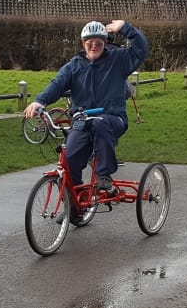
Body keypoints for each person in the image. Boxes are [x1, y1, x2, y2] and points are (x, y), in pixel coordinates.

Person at [24, 19, 149, 194]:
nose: (94, 46)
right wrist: (40, 101)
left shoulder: (118, 59)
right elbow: (57, 83)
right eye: (90, 42)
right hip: (82, 122)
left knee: (100, 122)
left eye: (99, 42)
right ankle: (76, 206)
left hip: (112, 118)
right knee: (69, 160)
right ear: (84, 44)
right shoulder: (74, 65)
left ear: (105, 43)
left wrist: (125, 28)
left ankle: (104, 174)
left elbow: (141, 49)